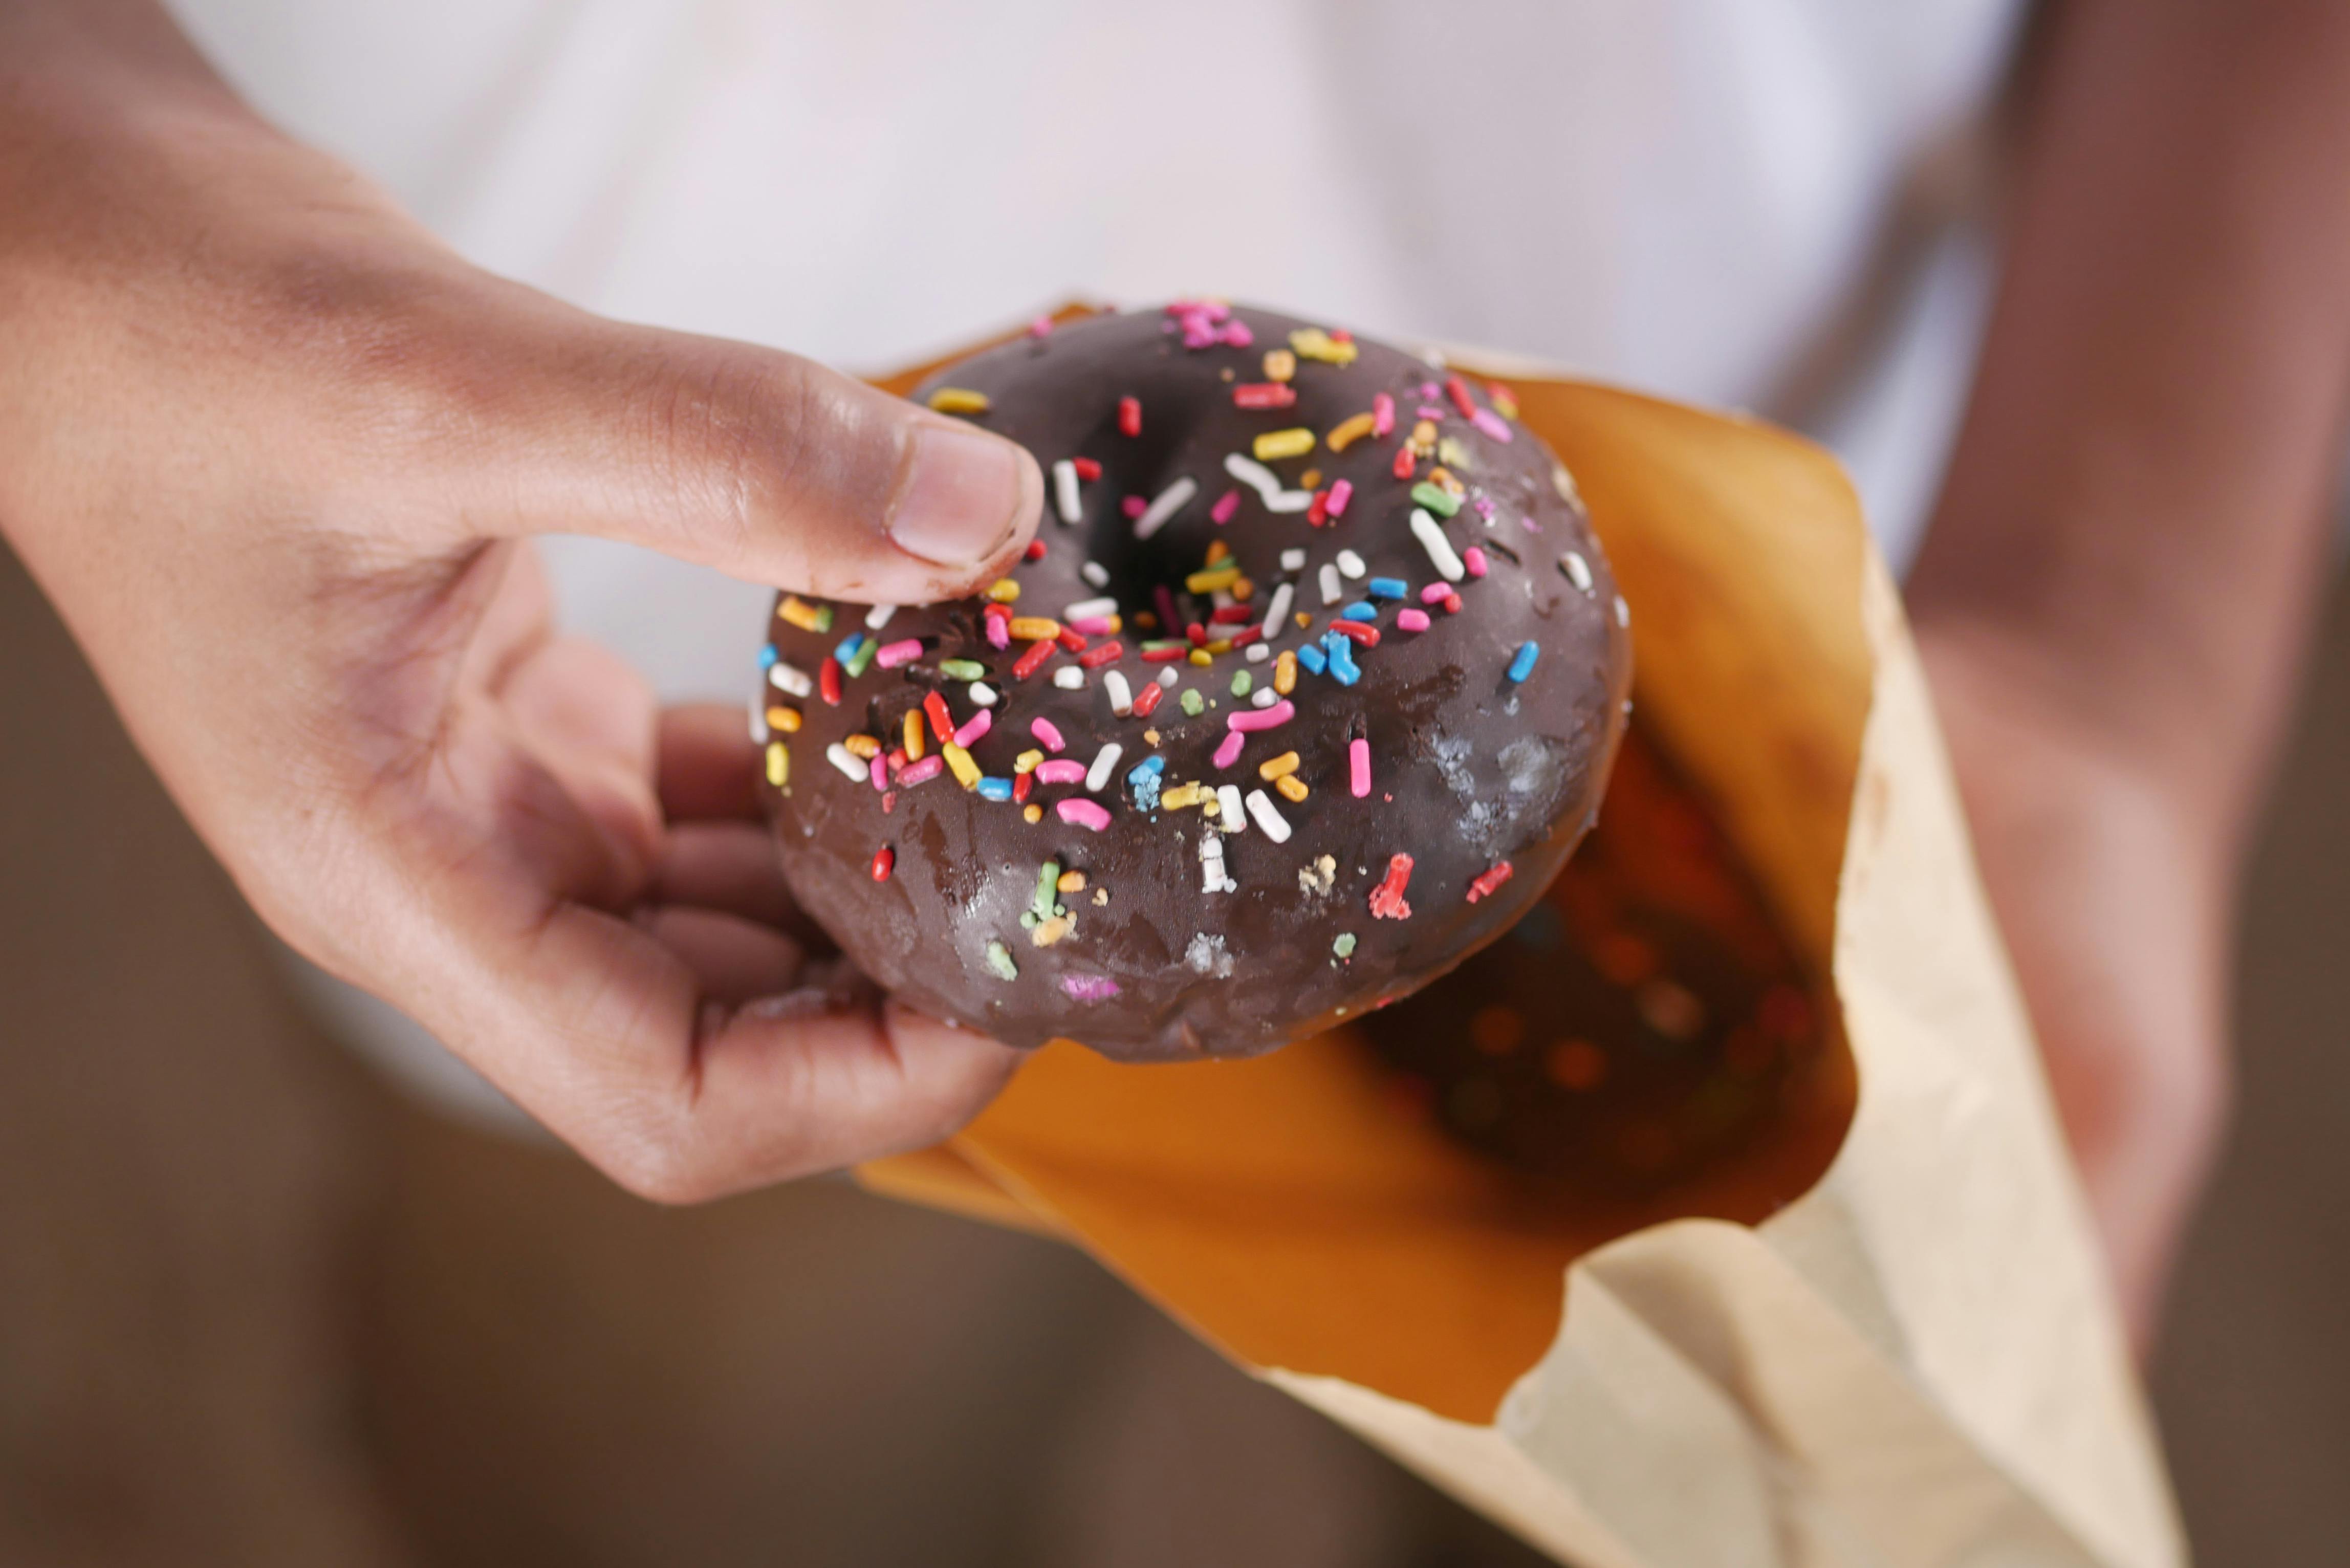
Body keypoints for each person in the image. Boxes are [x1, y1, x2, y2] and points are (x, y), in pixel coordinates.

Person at [3, 0, 2344, 1377]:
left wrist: (2094, 640)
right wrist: (71, 250)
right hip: (594, 752)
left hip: (1803, 693)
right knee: (695, 1449)